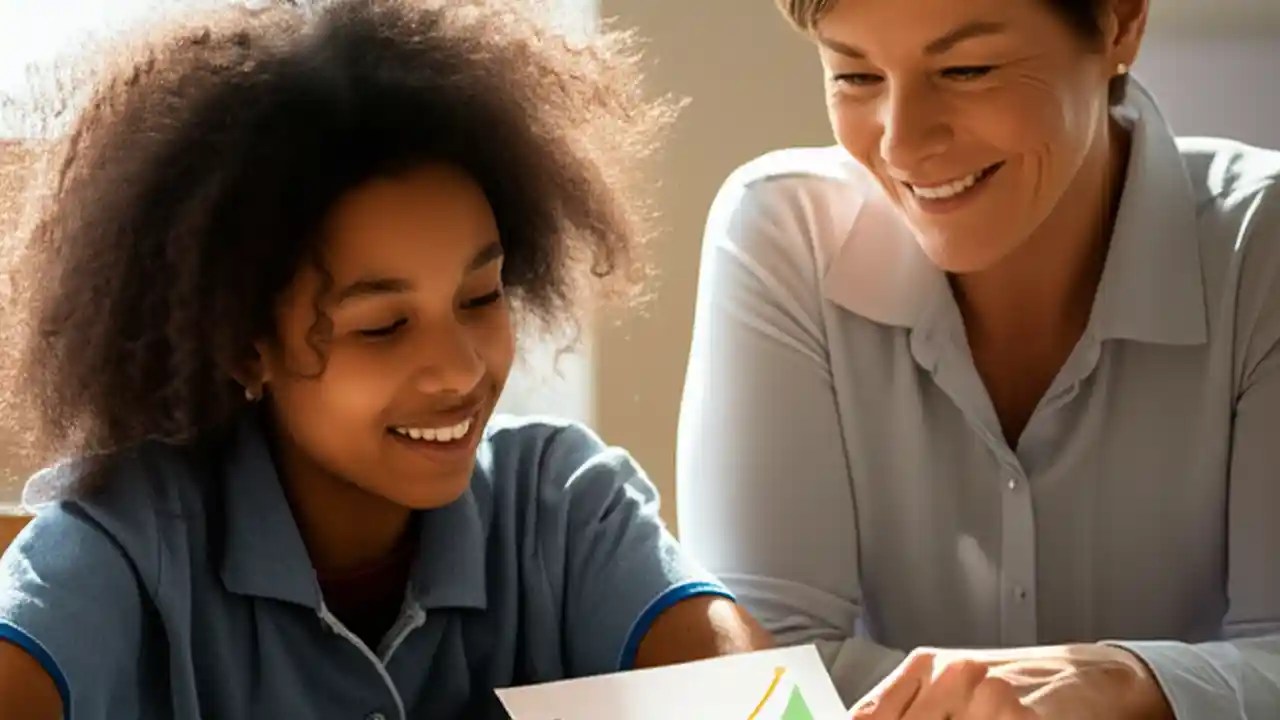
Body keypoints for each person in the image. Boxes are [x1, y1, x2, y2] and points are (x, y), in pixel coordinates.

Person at [0, 2, 773, 718]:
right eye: (384, 326)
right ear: (242, 344)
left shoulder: (562, 506)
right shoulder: (122, 546)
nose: (461, 372)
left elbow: (750, 697)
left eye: (479, 298)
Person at [676, 0, 1279, 717]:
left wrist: (1133, 680)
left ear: (1120, 22)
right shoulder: (784, 238)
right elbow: (762, 679)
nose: (902, 144)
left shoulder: (1259, 251)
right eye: (856, 75)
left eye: (966, 69)